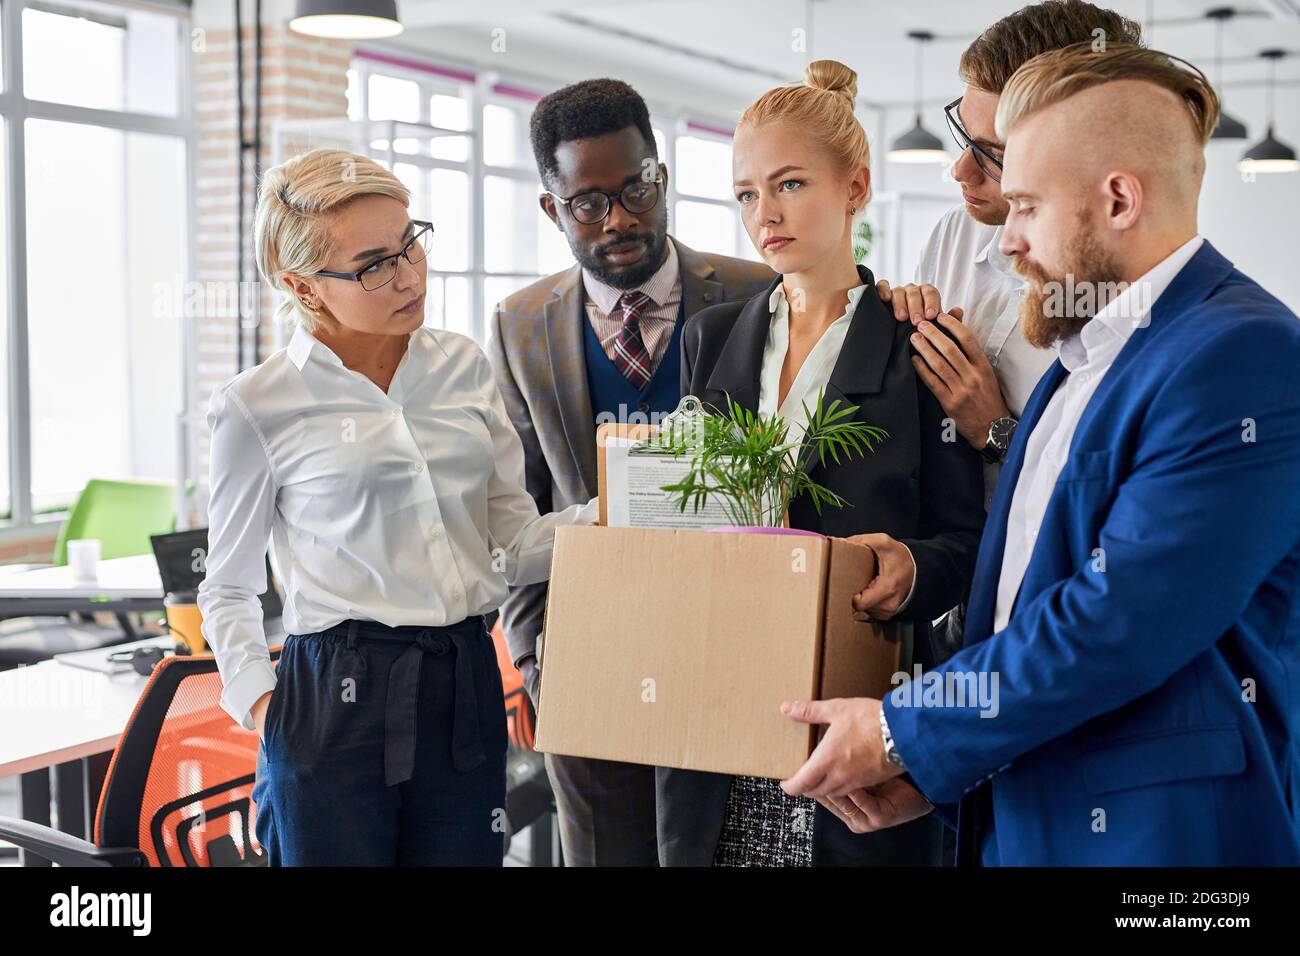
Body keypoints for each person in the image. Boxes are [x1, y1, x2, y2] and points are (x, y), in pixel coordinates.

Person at [779, 43, 1300, 866]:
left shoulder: (1244, 354)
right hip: (1027, 810)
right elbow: (1029, 588)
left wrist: (897, 731)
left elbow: (1119, 618)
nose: (1008, 242)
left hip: (1162, 846)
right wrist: (937, 768)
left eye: (1024, 206)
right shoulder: (1079, 358)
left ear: (1119, 198)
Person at [197, 147, 598, 866]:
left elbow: (508, 541)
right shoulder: (257, 406)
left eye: (412, 241)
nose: (410, 274)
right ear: (303, 286)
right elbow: (227, 587)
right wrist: (269, 715)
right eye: (375, 263)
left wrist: (618, 517)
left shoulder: (462, 366)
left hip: (464, 679)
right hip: (332, 697)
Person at [660, 60, 985, 866]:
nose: (763, 214)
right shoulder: (709, 340)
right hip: (720, 717)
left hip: (859, 719)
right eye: (745, 193)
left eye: (790, 184)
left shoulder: (917, 346)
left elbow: (971, 544)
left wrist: (909, 567)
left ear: (856, 188)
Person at [487, 79, 773, 867]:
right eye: (588, 203)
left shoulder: (755, 294)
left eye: (635, 189)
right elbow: (519, 508)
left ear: (662, 177)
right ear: (553, 209)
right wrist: (538, 657)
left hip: (731, 651)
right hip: (588, 658)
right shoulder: (520, 325)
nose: (618, 219)